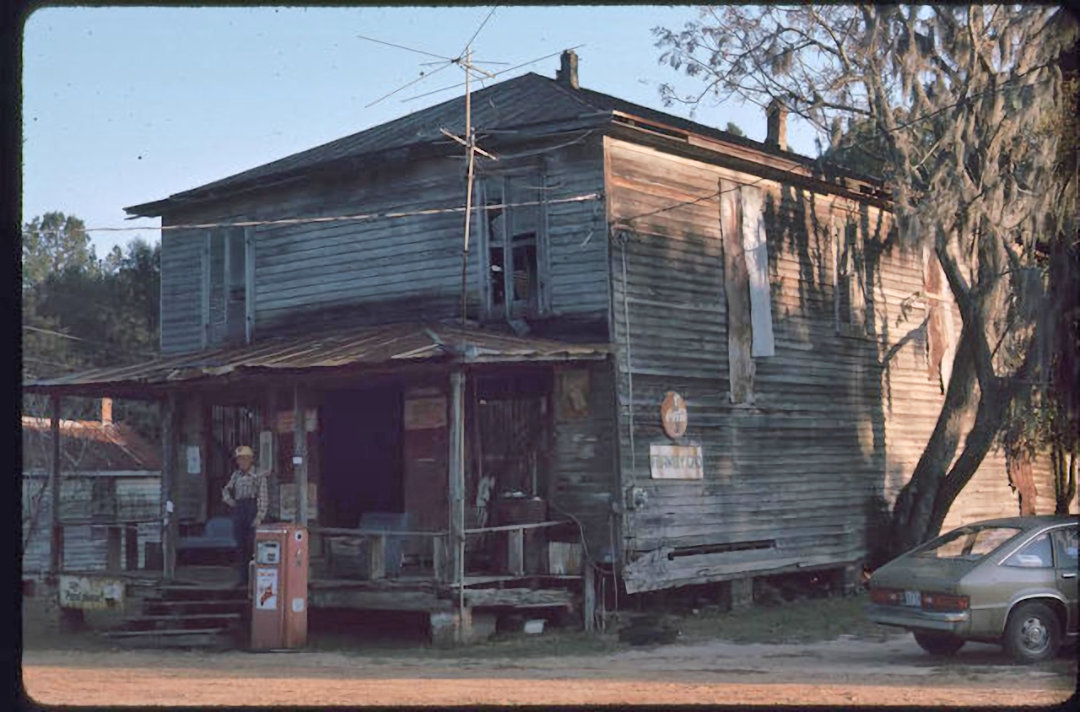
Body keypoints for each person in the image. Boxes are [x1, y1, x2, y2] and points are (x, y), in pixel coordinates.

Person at [221, 445, 268, 589]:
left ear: (250, 460)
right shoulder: (236, 475)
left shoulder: (258, 475)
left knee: (252, 546)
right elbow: (226, 490)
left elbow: (263, 496)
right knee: (240, 546)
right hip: (240, 509)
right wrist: (231, 502)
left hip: (252, 509)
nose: (241, 462)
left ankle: (254, 580)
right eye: (239, 459)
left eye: (244, 459)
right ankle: (243, 579)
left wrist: (259, 516)